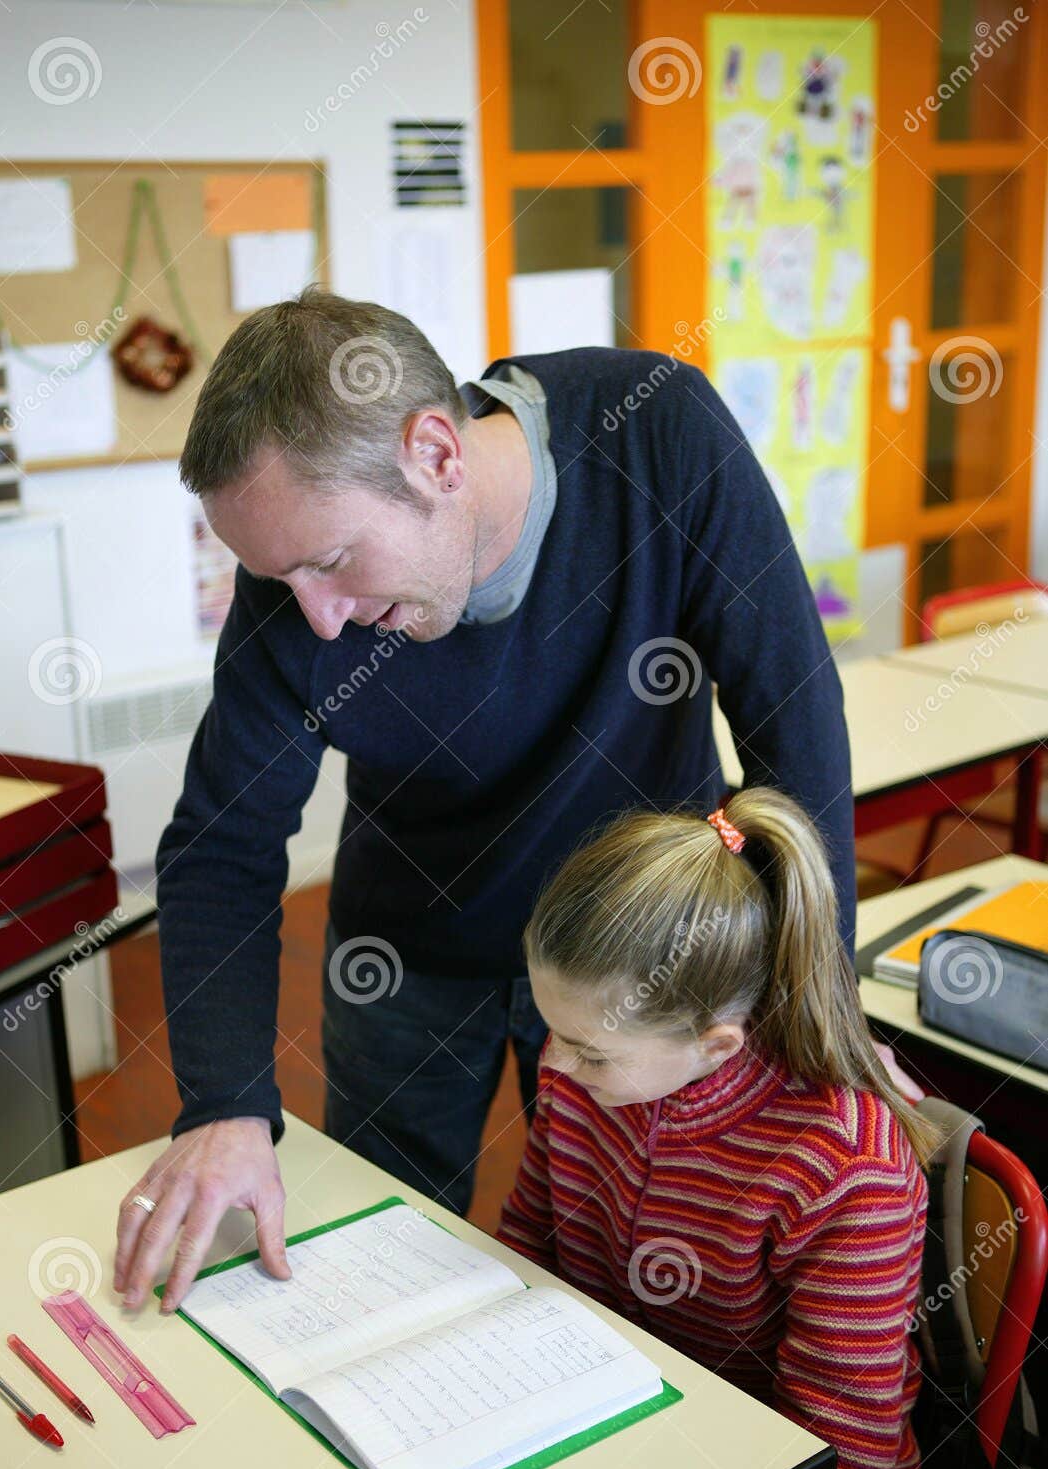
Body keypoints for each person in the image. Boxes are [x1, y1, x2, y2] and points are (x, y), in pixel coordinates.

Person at [114, 288, 862, 1315]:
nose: (319, 621)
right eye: (280, 579)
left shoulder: (657, 431)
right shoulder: (299, 586)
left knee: (660, 1280)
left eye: (332, 562)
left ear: (436, 454)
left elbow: (793, 719)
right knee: (380, 1269)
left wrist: (821, 1004)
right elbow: (223, 842)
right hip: (410, 955)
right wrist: (226, 1104)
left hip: (640, 949)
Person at [497, 789, 935, 1469]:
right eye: (549, 1030)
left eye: (590, 1051)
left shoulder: (843, 1168)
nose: (552, 1069)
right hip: (621, 1465)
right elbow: (528, 1250)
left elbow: (843, 1454)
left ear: (715, 1045)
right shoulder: (583, 1089)